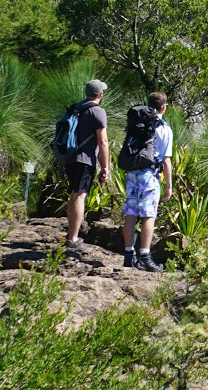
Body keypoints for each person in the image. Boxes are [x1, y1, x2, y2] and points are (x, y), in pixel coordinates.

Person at [121, 91, 173, 271]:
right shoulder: (164, 129)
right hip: (150, 175)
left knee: (131, 213)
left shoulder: (137, 123)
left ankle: (128, 255)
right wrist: (169, 185)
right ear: (164, 107)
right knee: (148, 215)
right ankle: (144, 255)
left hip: (132, 172)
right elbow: (166, 160)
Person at [64, 78, 111, 252]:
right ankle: (73, 239)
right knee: (80, 195)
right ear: (100, 94)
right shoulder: (97, 111)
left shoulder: (76, 107)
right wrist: (105, 167)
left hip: (70, 157)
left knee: (74, 194)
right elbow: (103, 141)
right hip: (85, 160)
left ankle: (71, 235)